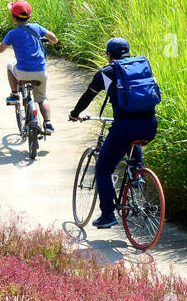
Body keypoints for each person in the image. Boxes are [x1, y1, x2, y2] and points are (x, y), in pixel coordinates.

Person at [68, 38, 162, 229]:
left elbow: (88, 96)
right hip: (150, 125)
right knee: (133, 141)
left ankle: (108, 214)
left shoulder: (107, 72)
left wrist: (74, 114)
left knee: (103, 168)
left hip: (124, 128)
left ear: (109, 55)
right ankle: (138, 174)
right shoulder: (141, 67)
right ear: (128, 52)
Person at [0, 0, 59, 135]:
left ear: (13, 18)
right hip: (41, 72)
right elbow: (54, 39)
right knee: (42, 98)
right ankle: (48, 123)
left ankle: (15, 94)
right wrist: (50, 42)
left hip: (23, 73)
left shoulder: (12, 33)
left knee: (10, 64)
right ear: (29, 16)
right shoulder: (37, 28)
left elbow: (0, 50)